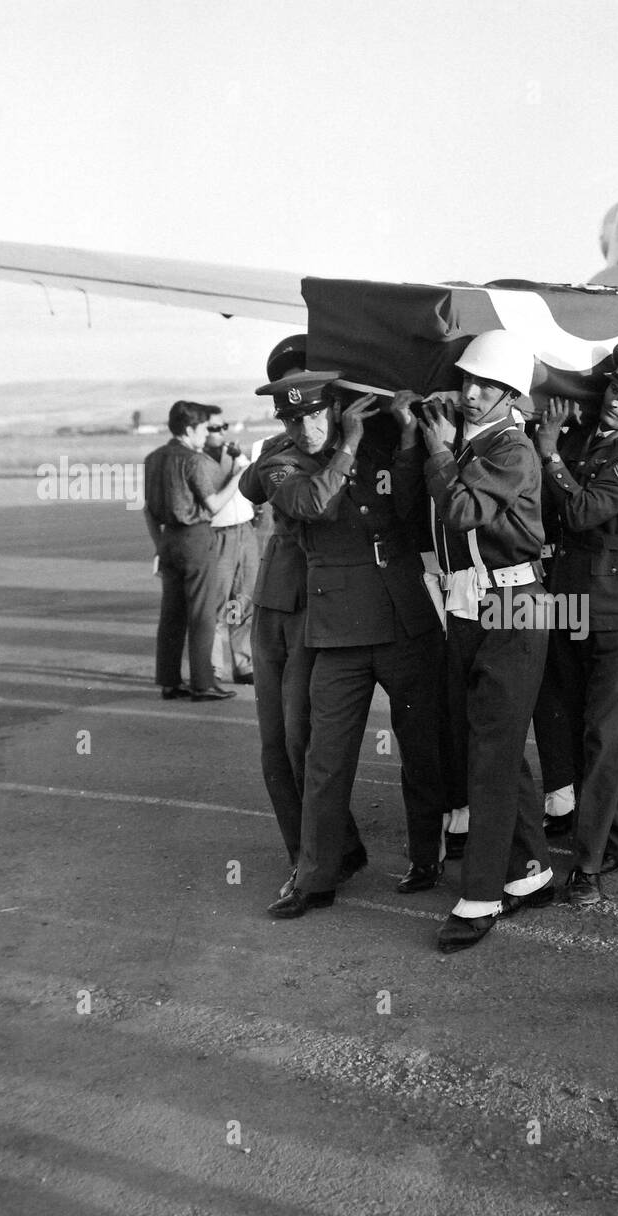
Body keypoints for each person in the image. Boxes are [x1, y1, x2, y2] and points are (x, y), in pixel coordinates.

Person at [262, 371, 444, 919]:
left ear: (334, 409)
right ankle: (316, 876)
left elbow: (410, 511)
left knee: (422, 747)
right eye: (294, 418)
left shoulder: (373, 445)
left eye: (314, 414)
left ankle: (426, 856)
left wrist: (409, 437)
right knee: (326, 757)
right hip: (338, 630)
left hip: (402, 617)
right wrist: (349, 444)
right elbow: (315, 504)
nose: (305, 426)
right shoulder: (280, 464)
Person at [418, 329, 554, 952]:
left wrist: (441, 453)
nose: (472, 394)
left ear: (512, 395)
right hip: (473, 601)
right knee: (489, 739)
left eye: (489, 386)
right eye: (469, 381)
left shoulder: (512, 450)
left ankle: (480, 896)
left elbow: (463, 514)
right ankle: (532, 872)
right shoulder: (476, 445)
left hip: (515, 602)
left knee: (492, 749)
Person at [534, 344, 618, 906]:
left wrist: (550, 458)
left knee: (604, 736)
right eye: (613, 392)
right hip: (570, 596)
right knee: (576, 729)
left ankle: (587, 865)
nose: (617, 404)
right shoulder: (587, 436)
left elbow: (583, 510)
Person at [237, 338, 364, 893]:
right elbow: (248, 487)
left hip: (318, 606)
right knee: (277, 743)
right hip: (276, 601)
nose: (298, 414)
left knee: (303, 739)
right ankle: (317, 854)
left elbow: (318, 503)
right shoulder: (281, 451)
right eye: (288, 406)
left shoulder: (343, 446)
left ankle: (325, 855)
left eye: (308, 400)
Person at [142, 400, 243, 701]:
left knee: (171, 615)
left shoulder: (153, 458)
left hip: (168, 539)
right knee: (202, 614)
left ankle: (169, 681)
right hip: (196, 538)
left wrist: (160, 545)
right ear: (190, 429)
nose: (204, 434)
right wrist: (237, 478)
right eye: (202, 429)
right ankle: (203, 683)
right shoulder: (193, 460)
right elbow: (213, 505)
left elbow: (148, 511)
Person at [202, 404, 258, 686]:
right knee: (216, 604)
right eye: (214, 428)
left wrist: (241, 461)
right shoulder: (198, 460)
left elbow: (252, 485)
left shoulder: (234, 454)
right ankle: (212, 666)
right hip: (219, 533)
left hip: (244, 530)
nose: (221, 432)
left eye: (224, 426)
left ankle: (243, 662)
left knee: (243, 598)